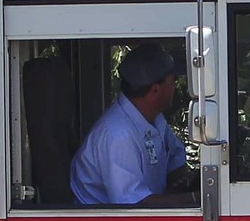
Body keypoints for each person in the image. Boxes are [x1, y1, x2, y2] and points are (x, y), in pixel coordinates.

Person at [70, 43, 197, 206]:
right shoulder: (118, 134)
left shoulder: (155, 119)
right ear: (156, 89)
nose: (175, 87)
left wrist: (187, 185)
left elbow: (175, 163)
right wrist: (196, 198)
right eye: (173, 80)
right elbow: (134, 206)